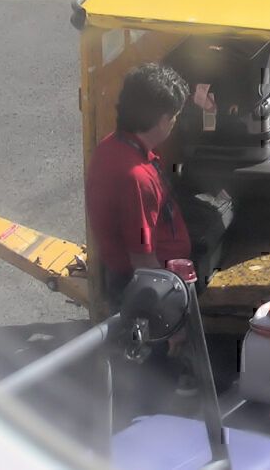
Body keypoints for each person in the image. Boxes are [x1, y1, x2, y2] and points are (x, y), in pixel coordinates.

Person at [85, 62, 197, 402]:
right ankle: (159, 402)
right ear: (163, 120)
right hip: (144, 287)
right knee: (153, 370)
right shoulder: (136, 177)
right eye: (175, 117)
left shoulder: (112, 147)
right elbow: (143, 261)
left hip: (132, 274)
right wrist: (173, 320)